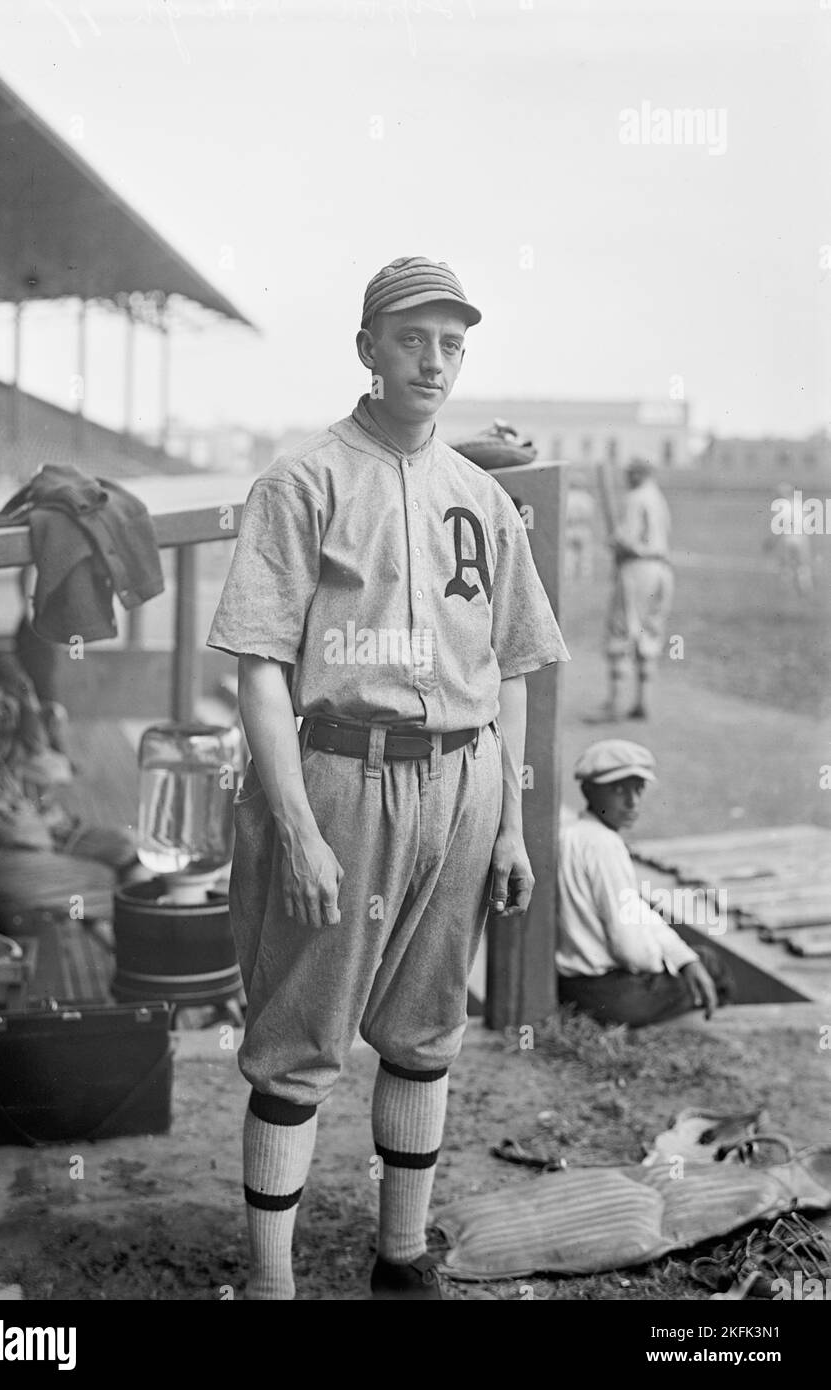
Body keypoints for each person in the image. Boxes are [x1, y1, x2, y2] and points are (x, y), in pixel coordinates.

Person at [207, 254, 569, 1301]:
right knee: (298, 1043)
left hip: (463, 782)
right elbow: (263, 674)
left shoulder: (481, 499)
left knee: (424, 1032)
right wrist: (298, 829)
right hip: (341, 777)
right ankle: (271, 1284)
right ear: (368, 349)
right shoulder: (303, 481)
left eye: (452, 341)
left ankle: (399, 1258)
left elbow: (513, 670)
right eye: (412, 336)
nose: (434, 358)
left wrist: (508, 827)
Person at [0, 650, 140, 929]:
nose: (5, 710)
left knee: (132, 852)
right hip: (2, 864)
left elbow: (40, 757)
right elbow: (18, 832)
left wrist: (27, 701)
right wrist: (37, 829)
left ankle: (132, 950)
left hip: (41, 841)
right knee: (115, 883)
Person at [557, 739, 723, 1028]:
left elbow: (635, 910)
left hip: (574, 985)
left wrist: (682, 958)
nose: (632, 801)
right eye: (618, 789)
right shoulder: (602, 844)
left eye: (638, 788)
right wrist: (666, 965)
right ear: (587, 789)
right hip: (609, 992)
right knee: (710, 963)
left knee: (694, 959)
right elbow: (628, 945)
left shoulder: (573, 835)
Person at [600, 458, 674, 720]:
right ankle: (644, 701)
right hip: (662, 569)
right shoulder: (658, 497)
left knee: (622, 628)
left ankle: (615, 703)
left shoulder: (635, 498)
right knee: (649, 631)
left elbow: (627, 538)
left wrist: (614, 541)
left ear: (639, 474)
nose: (627, 477)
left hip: (637, 568)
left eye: (631, 473)